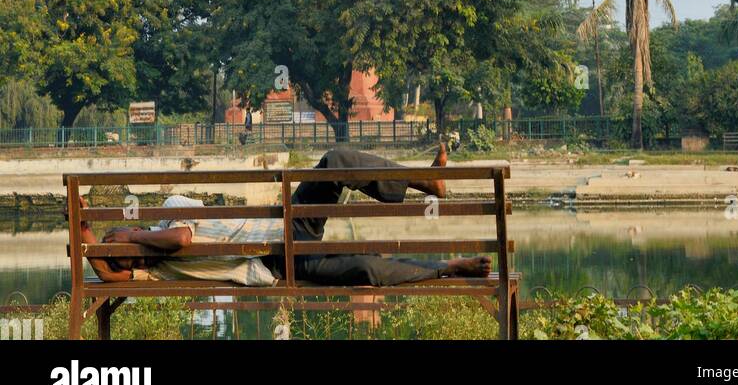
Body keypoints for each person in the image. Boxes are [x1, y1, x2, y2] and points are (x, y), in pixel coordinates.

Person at [76, 145, 491, 287]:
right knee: (365, 268)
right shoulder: (158, 271)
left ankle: (426, 181)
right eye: (130, 259)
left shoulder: (171, 210)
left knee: (337, 160)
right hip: (281, 263)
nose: (134, 257)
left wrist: (106, 233)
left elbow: (180, 237)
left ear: (135, 227)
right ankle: (449, 267)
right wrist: (87, 233)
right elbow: (107, 273)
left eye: (126, 244)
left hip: (289, 223)